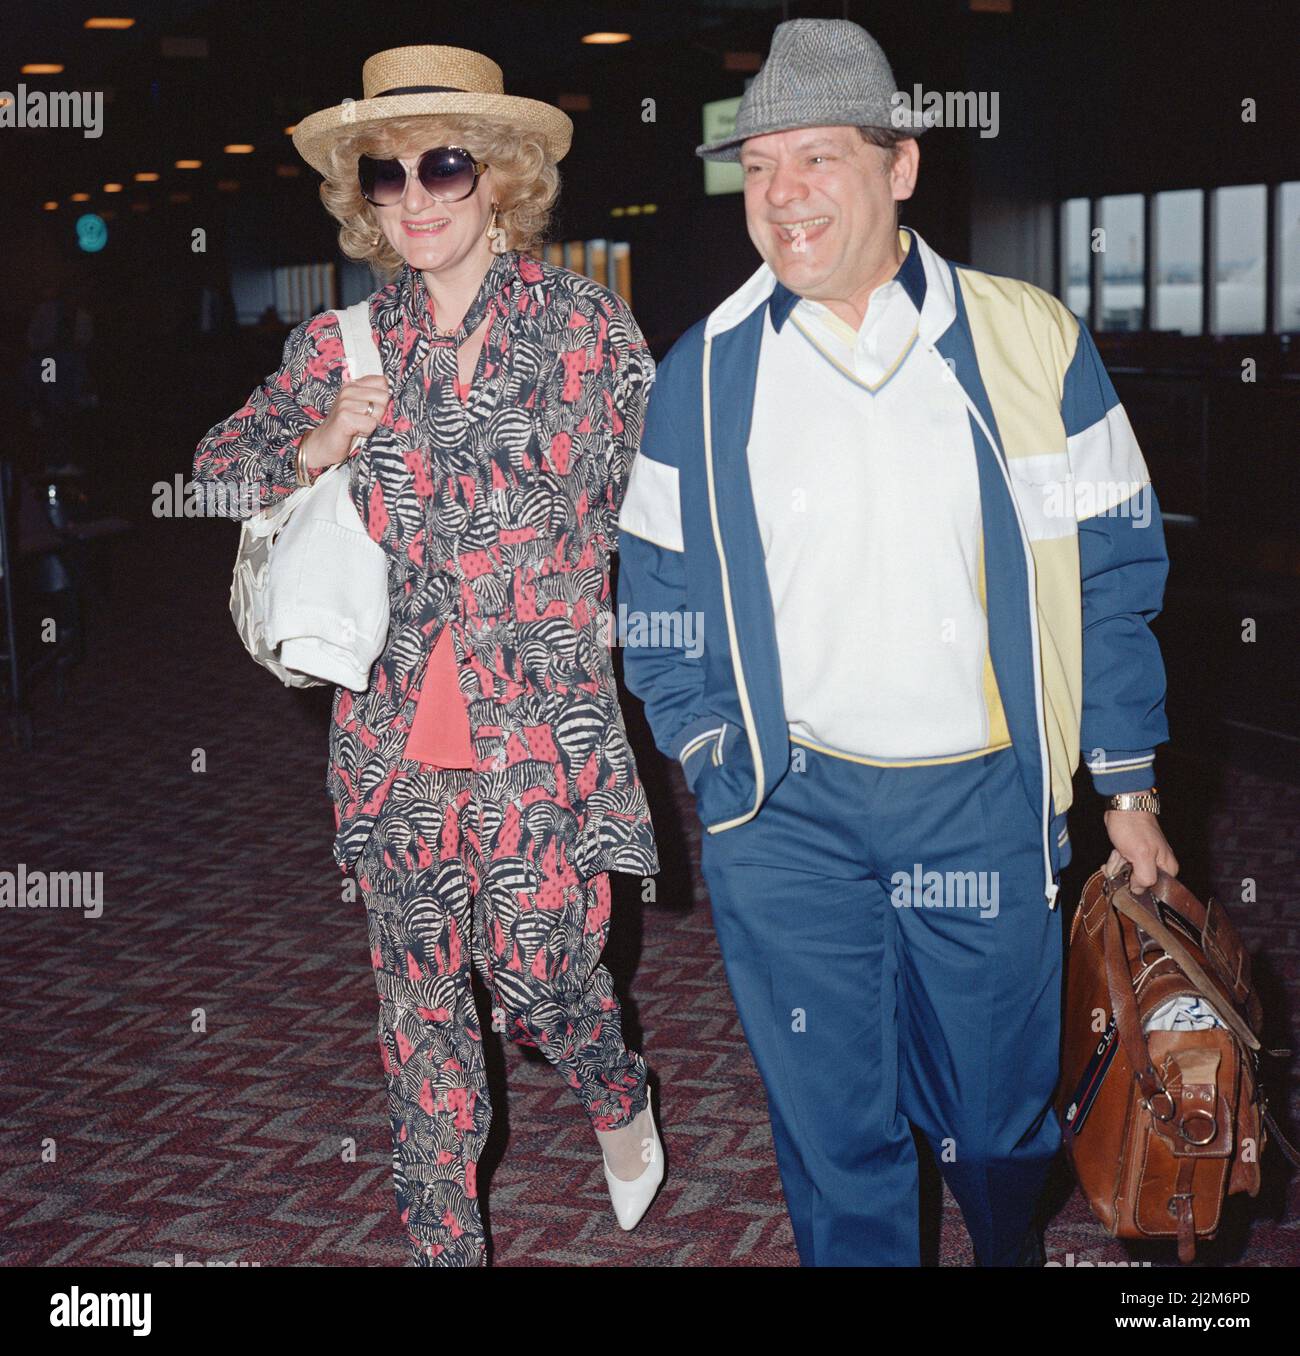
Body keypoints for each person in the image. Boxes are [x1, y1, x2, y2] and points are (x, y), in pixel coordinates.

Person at [616, 18, 1177, 1267]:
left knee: (999, 1123)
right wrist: (717, 761)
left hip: (983, 800)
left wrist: (1124, 777)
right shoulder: (702, 375)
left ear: (899, 167)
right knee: (834, 1131)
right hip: (788, 812)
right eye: (758, 167)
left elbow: (1113, 568)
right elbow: (652, 596)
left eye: (816, 158)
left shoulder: (1030, 342)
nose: (782, 196)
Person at [194, 45, 664, 1267]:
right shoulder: (340, 346)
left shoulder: (585, 334)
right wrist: (308, 447)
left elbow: (671, 517)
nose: (413, 194)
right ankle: (444, 1245)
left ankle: (615, 1090)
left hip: (542, 734)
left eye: (443, 164)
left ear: (498, 179)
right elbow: (205, 477)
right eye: (385, 171)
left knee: (549, 974)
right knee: (422, 1015)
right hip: (395, 741)